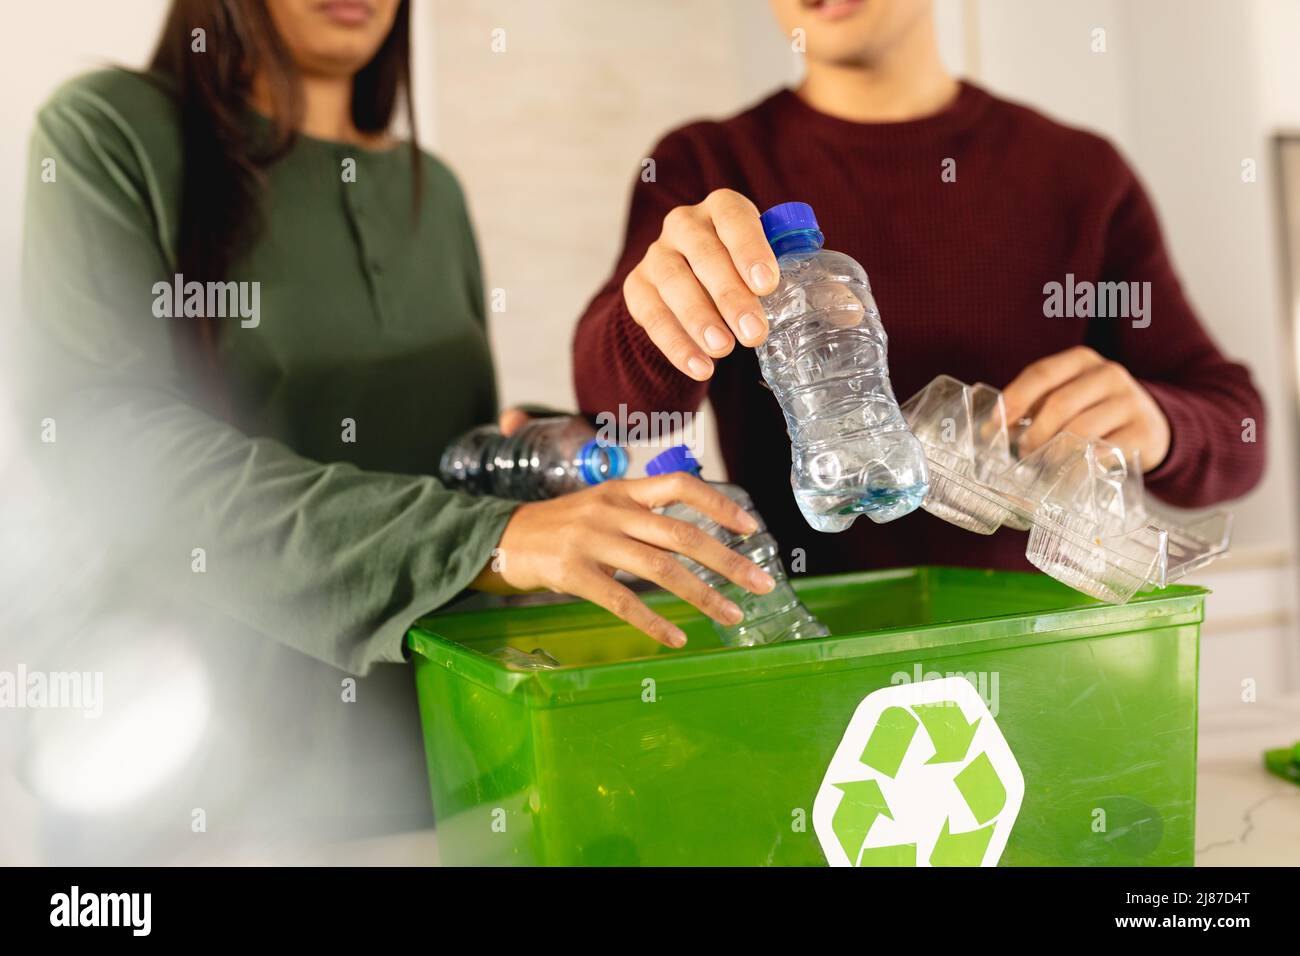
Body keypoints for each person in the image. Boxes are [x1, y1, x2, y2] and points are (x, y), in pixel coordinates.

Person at [19, 0, 769, 859]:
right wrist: (489, 536)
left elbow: (438, 467)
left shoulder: (430, 189)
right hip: (194, 795)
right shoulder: (111, 131)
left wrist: (538, 476)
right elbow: (107, 445)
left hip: (429, 781)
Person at [572, 0, 1266, 577]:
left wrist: (1161, 423)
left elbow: (1240, 428)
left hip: (1039, 642)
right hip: (811, 644)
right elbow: (619, 412)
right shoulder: (706, 167)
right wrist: (654, 315)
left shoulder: (1077, 173)